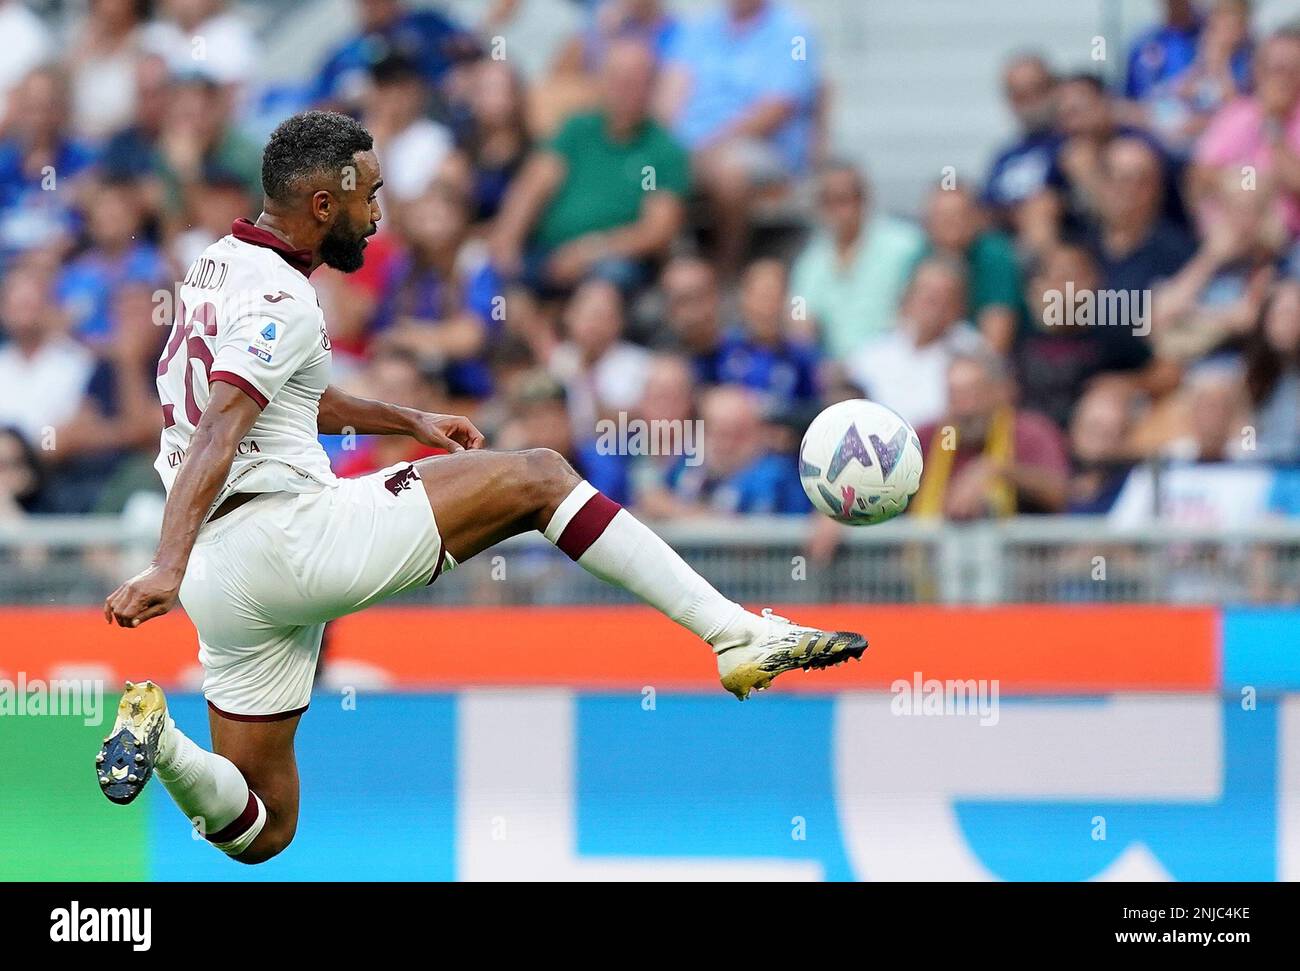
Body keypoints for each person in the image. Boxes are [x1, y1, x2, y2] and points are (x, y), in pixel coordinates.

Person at [96, 110, 867, 864]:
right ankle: (735, 635)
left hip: (221, 577)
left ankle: (160, 738)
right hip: (285, 538)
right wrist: (162, 560)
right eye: (368, 195)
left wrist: (405, 417)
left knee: (265, 827)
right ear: (322, 203)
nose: (376, 215)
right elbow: (219, 429)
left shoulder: (215, 264)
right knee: (540, 477)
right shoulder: (284, 300)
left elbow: (273, 397)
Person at [490, 39, 688, 296]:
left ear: (651, 87)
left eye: (635, 80)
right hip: (550, 248)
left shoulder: (662, 150)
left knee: (606, 280)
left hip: (611, 258)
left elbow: (657, 229)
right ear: (602, 81)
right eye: (617, 79)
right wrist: (508, 239)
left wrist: (591, 251)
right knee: (492, 275)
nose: (625, 89)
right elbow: (532, 187)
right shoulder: (577, 130)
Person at [789, 162, 926, 360]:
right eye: (827, 201)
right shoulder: (810, 261)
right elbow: (800, 317)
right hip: (836, 372)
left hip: (896, 361)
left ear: (863, 200)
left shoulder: (905, 246)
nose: (836, 210)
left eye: (843, 200)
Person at [912, 350, 1069, 520]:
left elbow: (1061, 494)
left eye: (973, 393)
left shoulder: (1030, 433)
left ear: (1002, 391)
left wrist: (998, 471)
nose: (964, 408)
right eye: (954, 395)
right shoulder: (928, 437)